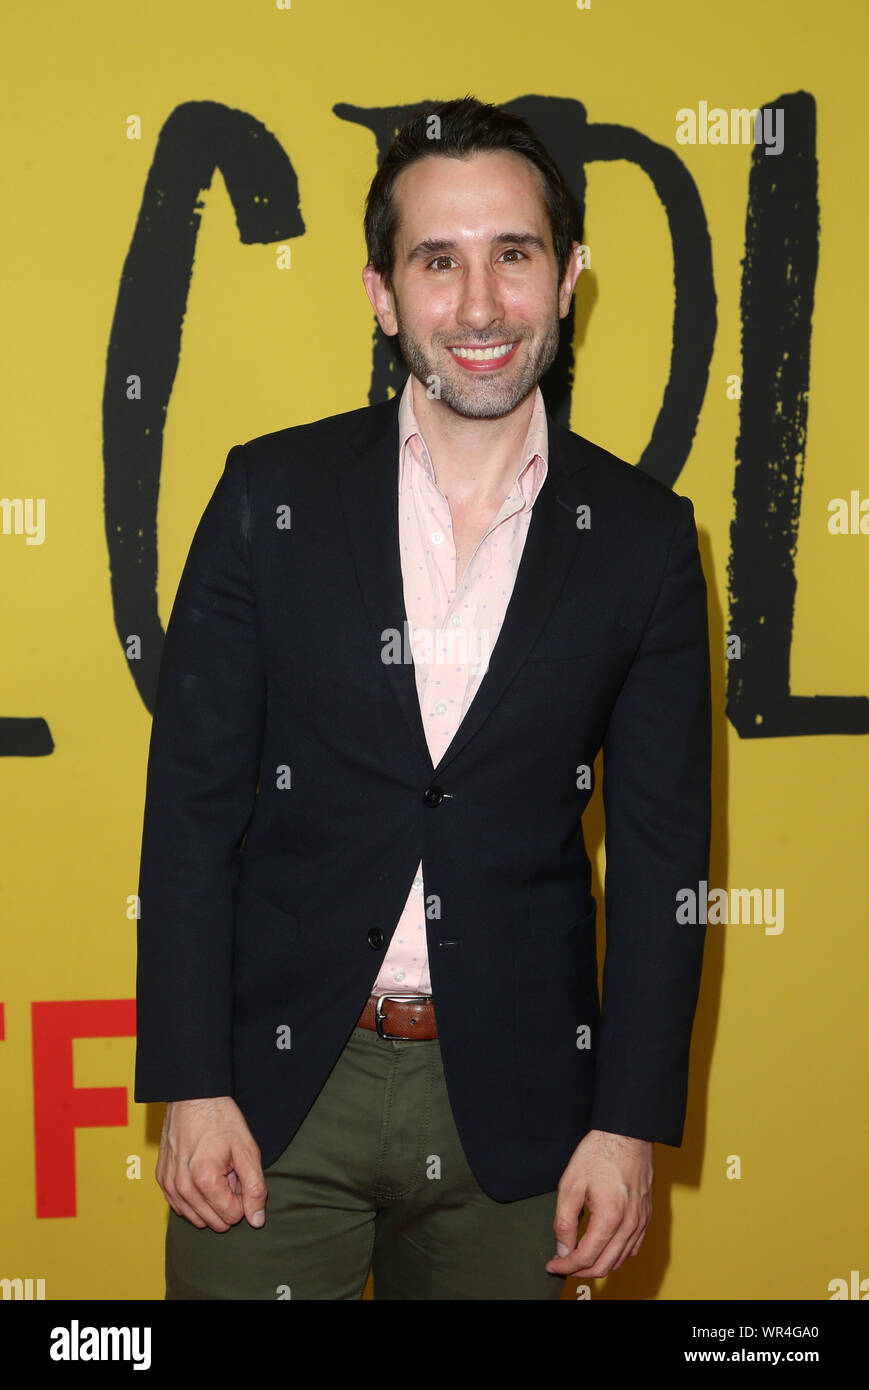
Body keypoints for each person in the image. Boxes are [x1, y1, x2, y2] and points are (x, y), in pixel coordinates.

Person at [134, 94, 711, 1300]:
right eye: (437, 262)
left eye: (514, 254)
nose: (482, 305)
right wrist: (190, 1081)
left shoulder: (644, 541)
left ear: (566, 280)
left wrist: (626, 1123)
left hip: (522, 1108)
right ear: (383, 295)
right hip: (278, 1094)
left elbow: (662, 857)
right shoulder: (267, 495)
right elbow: (191, 805)